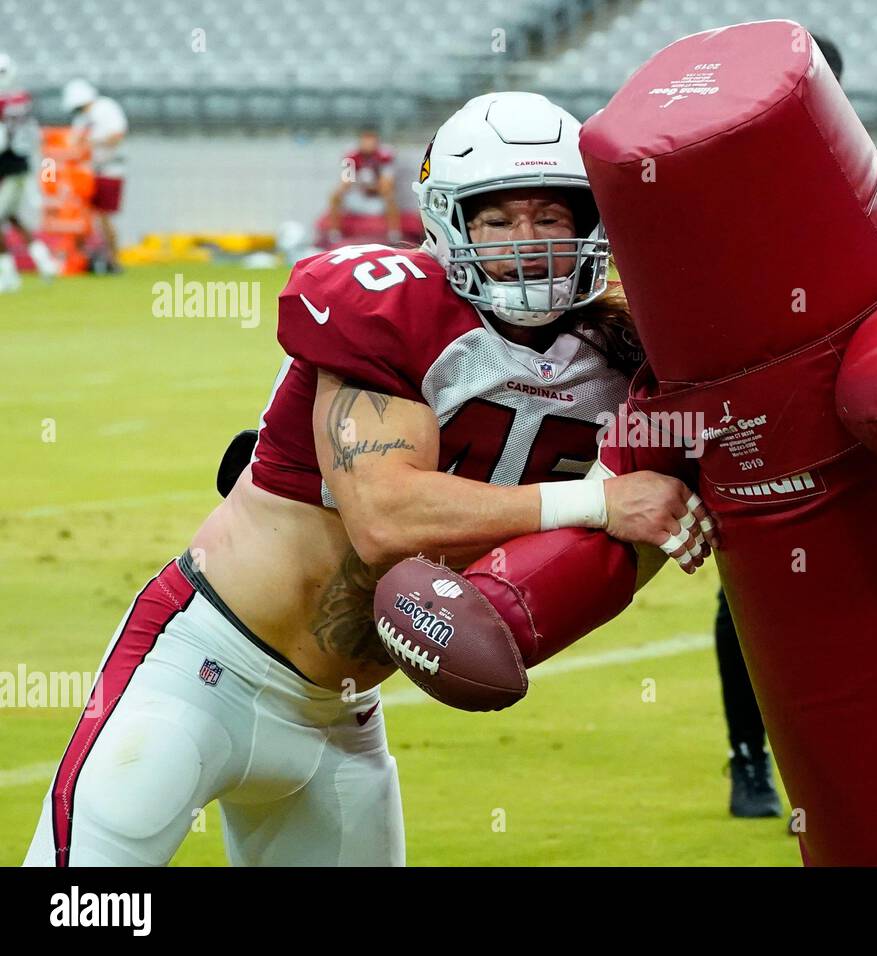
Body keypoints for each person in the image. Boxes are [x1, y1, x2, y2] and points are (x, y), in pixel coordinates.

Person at [23, 91, 716, 867]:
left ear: (591, 223)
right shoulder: (392, 307)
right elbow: (386, 518)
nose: (527, 243)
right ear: (452, 224)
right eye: (498, 219)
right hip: (202, 670)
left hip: (342, 722)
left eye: (550, 217)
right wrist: (599, 501)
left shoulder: (620, 352)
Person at [712, 34, 843, 821]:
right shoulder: (717, 193)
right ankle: (750, 758)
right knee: (749, 595)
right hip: (750, 413)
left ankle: (839, 758)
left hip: (840, 411)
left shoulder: (865, 185)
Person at [0, 53, 57, 291]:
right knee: (12, 217)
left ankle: (8, 275)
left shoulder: (8, 101)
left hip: (9, 166)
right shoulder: (21, 98)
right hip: (21, 164)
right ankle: (45, 262)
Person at [61, 78, 127, 274]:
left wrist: (90, 141)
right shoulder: (81, 119)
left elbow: (116, 135)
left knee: (104, 216)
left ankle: (114, 260)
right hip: (86, 172)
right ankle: (81, 257)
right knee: (81, 215)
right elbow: (73, 142)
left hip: (109, 169)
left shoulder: (106, 108)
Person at [326, 127, 402, 245]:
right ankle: (334, 234)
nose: (368, 143)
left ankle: (394, 234)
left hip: (377, 199)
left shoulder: (385, 155)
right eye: (366, 139)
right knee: (335, 195)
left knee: (390, 195)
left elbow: (387, 183)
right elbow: (345, 181)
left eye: (371, 139)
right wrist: (349, 186)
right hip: (358, 196)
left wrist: (373, 186)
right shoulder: (352, 155)